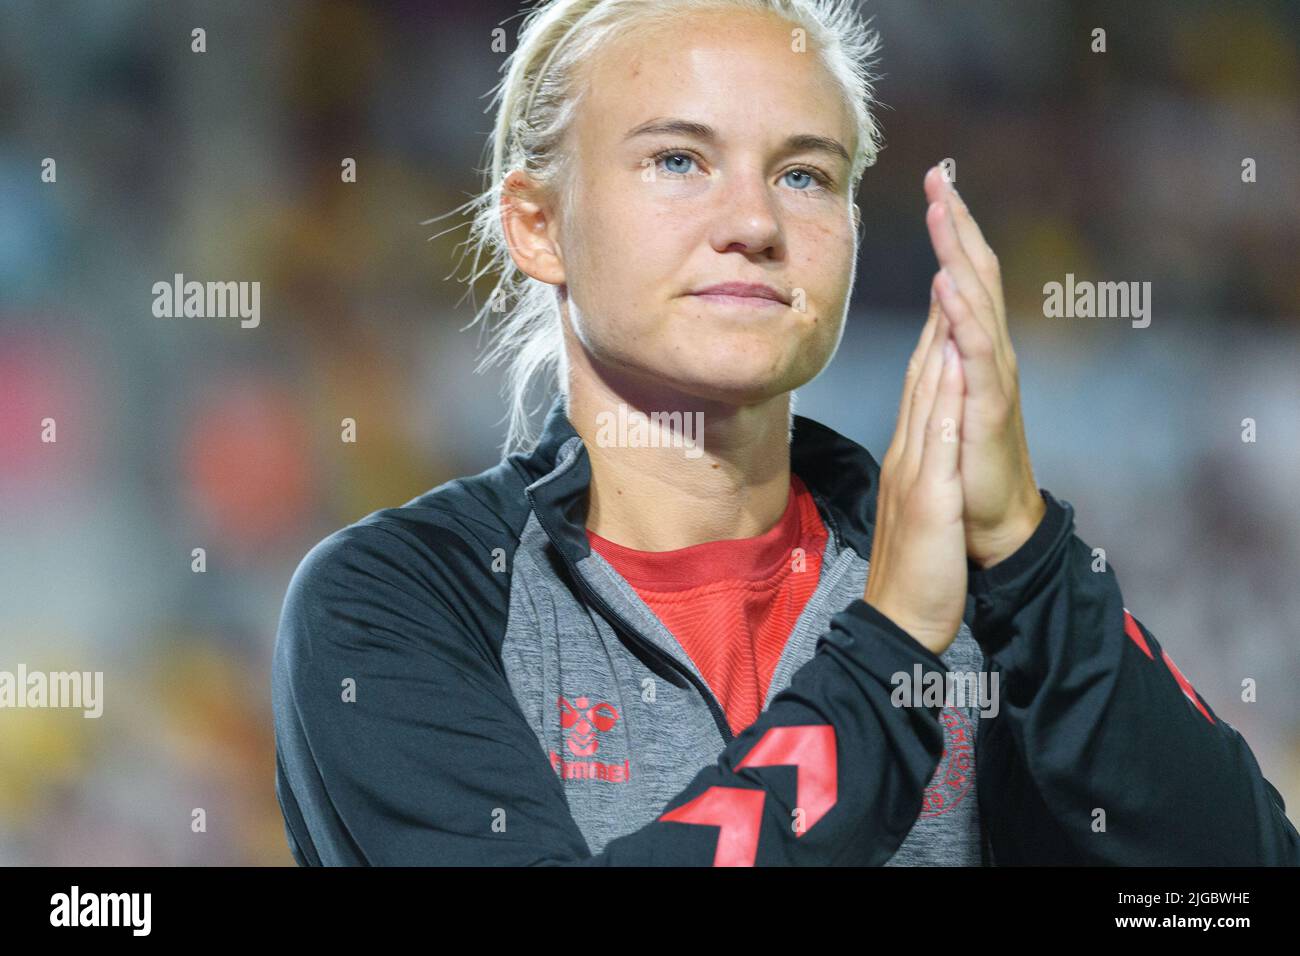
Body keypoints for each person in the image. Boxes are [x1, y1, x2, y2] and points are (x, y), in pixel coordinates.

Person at [271, 0, 1300, 865]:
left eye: (804, 174)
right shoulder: (395, 600)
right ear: (537, 224)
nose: (755, 222)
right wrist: (889, 648)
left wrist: (1029, 554)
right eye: (678, 159)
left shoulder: (987, 588)